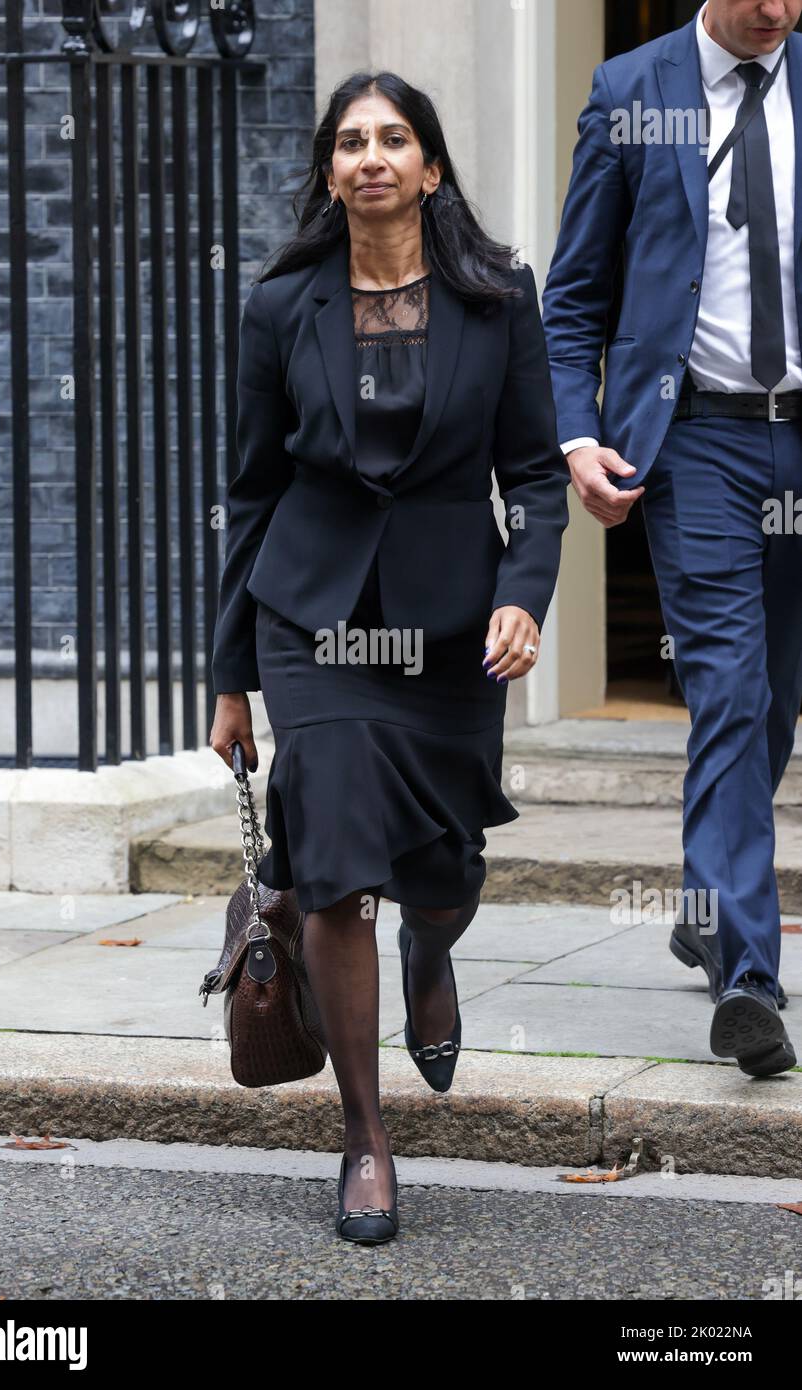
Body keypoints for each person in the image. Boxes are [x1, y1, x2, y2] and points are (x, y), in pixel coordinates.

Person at [209, 70, 569, 1242]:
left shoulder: (495, 297)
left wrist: (522, 596)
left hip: (449, 624)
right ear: (329, 173)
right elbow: (252, 492)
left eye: (394, 138)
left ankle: (433, 945)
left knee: (445, 868)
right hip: (311, 623)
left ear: (428, 166)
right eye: (350, 141)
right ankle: (365, 1137)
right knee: (335, 860)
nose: (372, 155)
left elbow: (530, 472)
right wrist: (227, 677)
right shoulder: (280, 308)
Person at [542, 0, 801, 1076]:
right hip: (697, 443)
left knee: (777, 696)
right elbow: (572, 298)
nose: (775, 13)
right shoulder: (629, 93)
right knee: (730, 695)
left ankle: (704, 899)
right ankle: (748, 974)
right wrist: (574, 434)